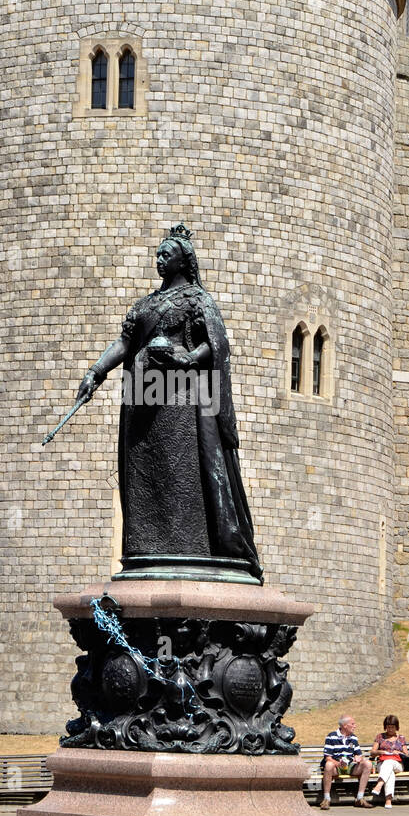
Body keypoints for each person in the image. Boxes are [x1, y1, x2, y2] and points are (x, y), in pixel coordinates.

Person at [74, 224, 262, 583]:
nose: (159, 260)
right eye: (157, 255)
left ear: (182, 261)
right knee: (148, 476)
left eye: (166, 255)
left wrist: (189, 359)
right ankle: (148, 547)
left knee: (183, 474)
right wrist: (96, 372)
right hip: (143, 403)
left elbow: (216, 345)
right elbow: (124, 344)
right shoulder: (144, 304)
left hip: (183, 403)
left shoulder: (197, 300)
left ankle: (192, 547)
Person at [320, 715, 372, 808]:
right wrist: (338, 763)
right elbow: (328, 757)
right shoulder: (331, 736)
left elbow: (358, 754)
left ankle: (360, 798)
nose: (355, 726)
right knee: (328, 765)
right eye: (352, 724)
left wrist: (358, 758)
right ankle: (326, 799)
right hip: (336, 767)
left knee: (368, 764)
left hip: (350, 766)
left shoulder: (353, 738)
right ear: (344, 725)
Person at [369, 715, 408, 809]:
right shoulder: (380, 736)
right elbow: (372, 752)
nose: (390, 729)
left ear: (396, 727)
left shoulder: (401, 738)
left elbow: (406, 755)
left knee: (389, 762)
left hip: (398, 764)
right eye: (388, 727)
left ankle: (379, 785)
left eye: (392, 727)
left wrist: (399, 752)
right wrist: (380, 752)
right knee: (389, 771)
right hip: (382, 763)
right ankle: (388, 800)